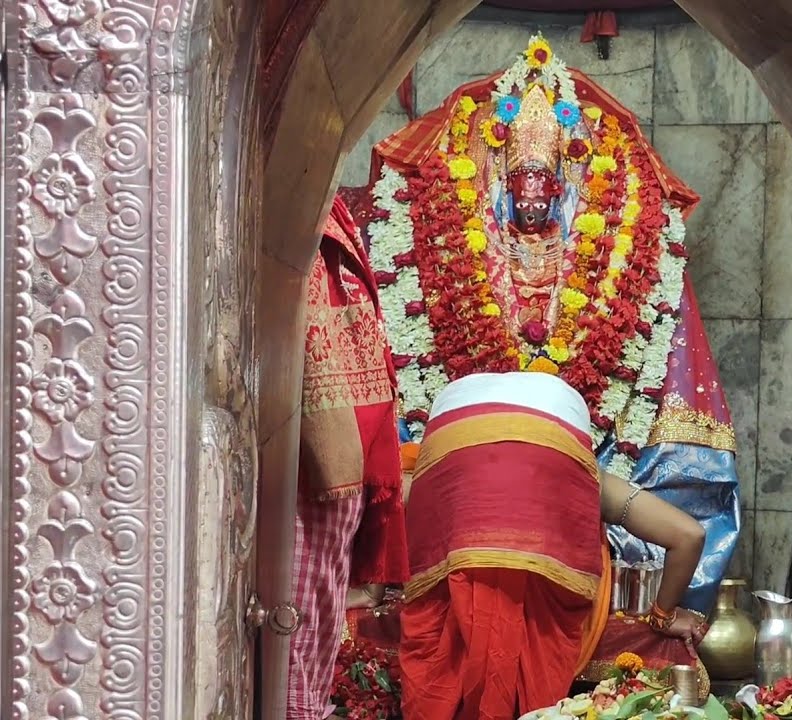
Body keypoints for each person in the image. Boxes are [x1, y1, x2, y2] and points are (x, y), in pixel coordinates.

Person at [357, 34, 742, 615]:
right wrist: (664, 616)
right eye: (519, 187)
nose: (532, 204)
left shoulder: (605, 226)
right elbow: (686, 535)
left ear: (566, 182)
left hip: (567, 439)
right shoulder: (462, 221)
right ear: (498, 181)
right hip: (524, 451)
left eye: (544, 188)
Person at [398, 372, 708, 719]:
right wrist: (663, 616)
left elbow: (382, 506)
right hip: (551, 440)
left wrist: (371, 591)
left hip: (452, 438)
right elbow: (688, 535)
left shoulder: (424, 478)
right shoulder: (591, 481)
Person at [288, 197, 409, 719]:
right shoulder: (312, 220)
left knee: (305, 628)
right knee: (301, 628)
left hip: (328, 457)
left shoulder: (321, 218)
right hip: (314, 457)